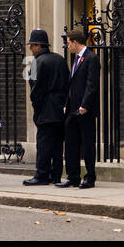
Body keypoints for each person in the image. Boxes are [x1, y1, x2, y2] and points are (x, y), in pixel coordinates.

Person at [23, 28, 69, 186]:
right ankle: (55, 175)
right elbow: (67, 83)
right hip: (60, 107)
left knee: (43, 143)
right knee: (57, 144)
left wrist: (37, 108)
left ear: (38, 45)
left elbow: (35, 90)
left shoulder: (36, 62)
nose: (30, 48)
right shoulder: (60, 59)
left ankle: (41, 175)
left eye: (32, 45)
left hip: (45, 108)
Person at [61, 28, 99, 189]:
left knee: (88, 144)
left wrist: (85, 105)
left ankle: (90, 177)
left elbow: (92, 84)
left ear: (75, 42)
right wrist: (66, 104)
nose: (67, 46)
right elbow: (72, 84)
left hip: (85, 110)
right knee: (71, 144)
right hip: (72, 108)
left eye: (68, 43)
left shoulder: (91, 58)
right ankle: (73, 177)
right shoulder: (76, 59)